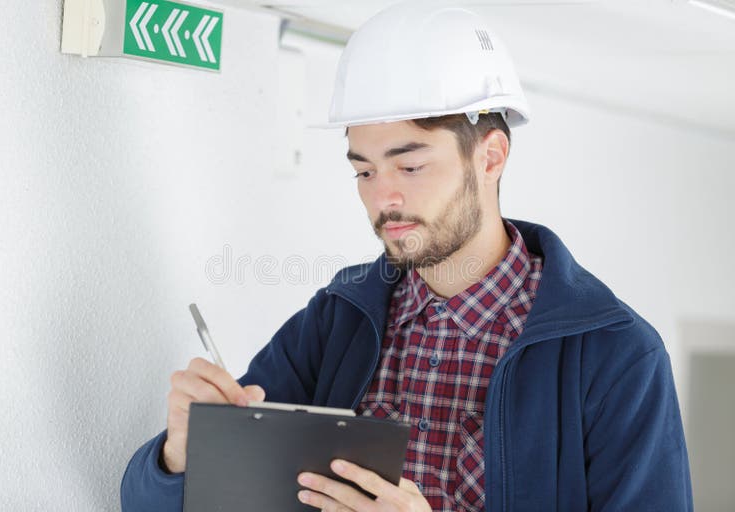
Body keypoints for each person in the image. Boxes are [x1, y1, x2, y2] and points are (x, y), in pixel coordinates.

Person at [121, 1, 693, 510]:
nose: (383, 198)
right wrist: (181, 456)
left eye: (411, 166)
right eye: (364, 171)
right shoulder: (337, 322)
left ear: (491, 157)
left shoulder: (615, 356)